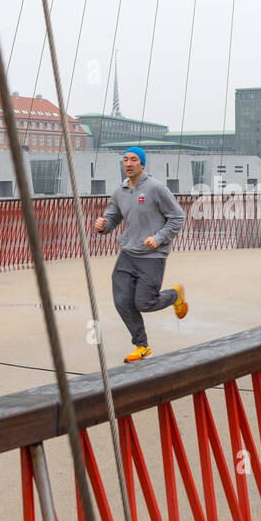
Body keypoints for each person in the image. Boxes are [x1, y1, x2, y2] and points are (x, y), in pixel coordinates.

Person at [94, 146, 188, 362]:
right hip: (127, 254)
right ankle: (142, 345)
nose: (128, 163)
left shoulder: (156, 188)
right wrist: (102, 225)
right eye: (125, 159)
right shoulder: (119, 191)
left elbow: (177, 217)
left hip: (152, 256)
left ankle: (175, 295)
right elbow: (112, 218)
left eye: (133, 160)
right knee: (122, 301)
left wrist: (158, 237)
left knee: (144, 303)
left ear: (142, 164)